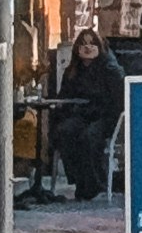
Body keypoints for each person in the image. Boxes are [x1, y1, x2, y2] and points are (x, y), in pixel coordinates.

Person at [52, 30, 127, 199]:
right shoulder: (72, 71)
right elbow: (64, 96)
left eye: (91, 43)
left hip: (105, 117)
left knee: (89, 136)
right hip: (80, 115)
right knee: (65, 132)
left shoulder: (109, 68)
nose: (87, 48)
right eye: (83, 44)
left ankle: (95, 184)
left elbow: (119, 98)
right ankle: (79, 180)